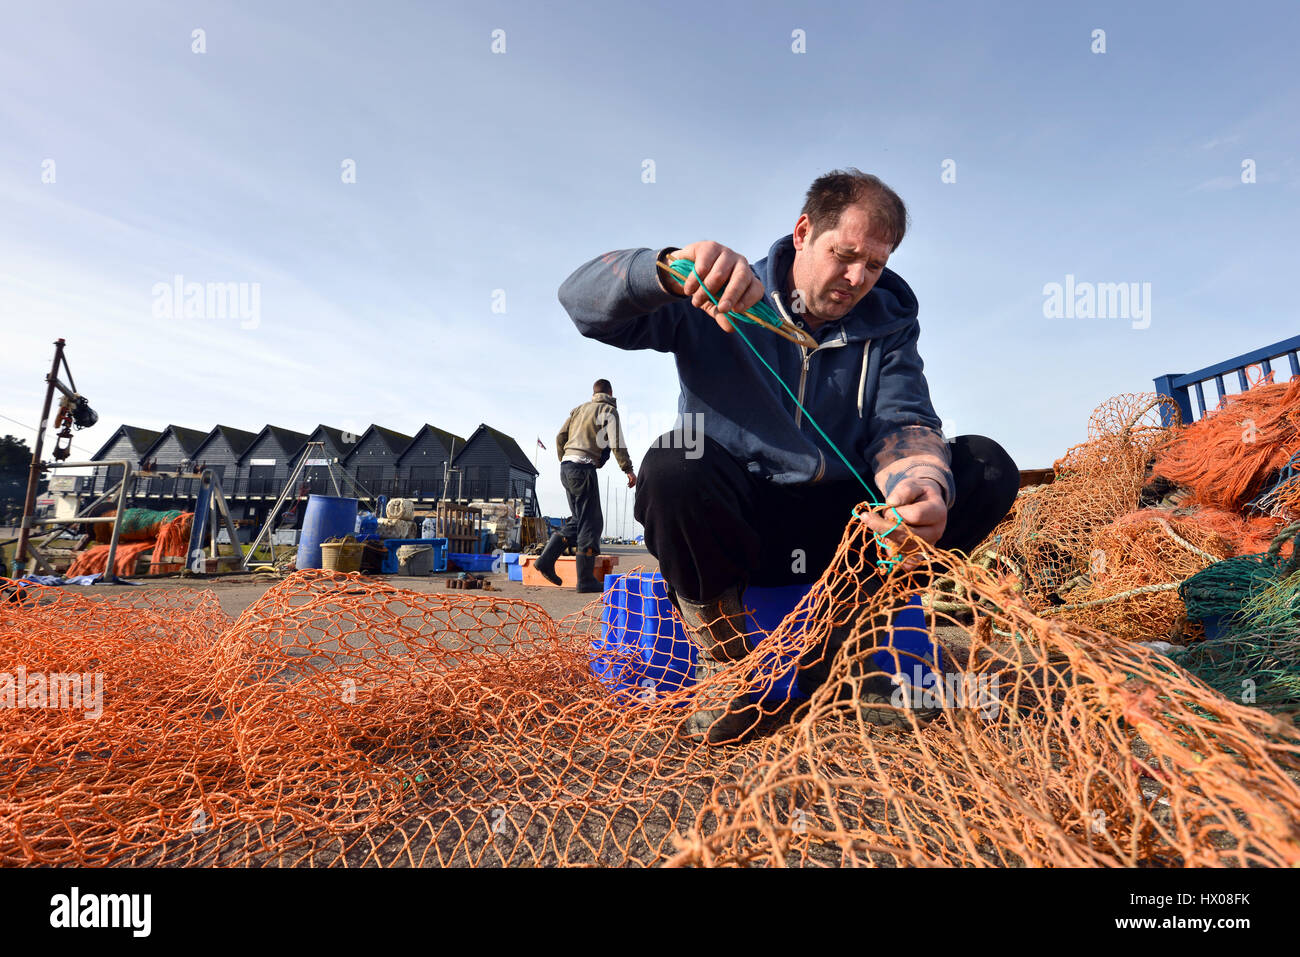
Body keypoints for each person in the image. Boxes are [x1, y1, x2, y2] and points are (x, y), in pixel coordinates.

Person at [557, 168, 1020, 744]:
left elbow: (904, 420)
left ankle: (852, 648)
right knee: (675, 461)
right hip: (741, 527)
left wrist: (919, 485)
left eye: (874, 265)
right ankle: (730, 663)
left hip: (846, 536)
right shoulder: (718, 291)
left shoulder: (891, 326)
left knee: (985, 465)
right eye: (844, 254)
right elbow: (580, 302)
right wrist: (668, 269)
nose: (857, 279)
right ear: (803, 232)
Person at [534, 379, 637, 593]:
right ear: (610, 392)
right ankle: (585, 580)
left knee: (579, 519)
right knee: (591, 521)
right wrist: (627, 469)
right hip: (583, 469)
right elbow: (616, 441)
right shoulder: (608, 410)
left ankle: (546, 560)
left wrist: (565, 458)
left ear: (594, 393)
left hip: (567, 468)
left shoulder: (578, 409)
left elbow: (560, 436)